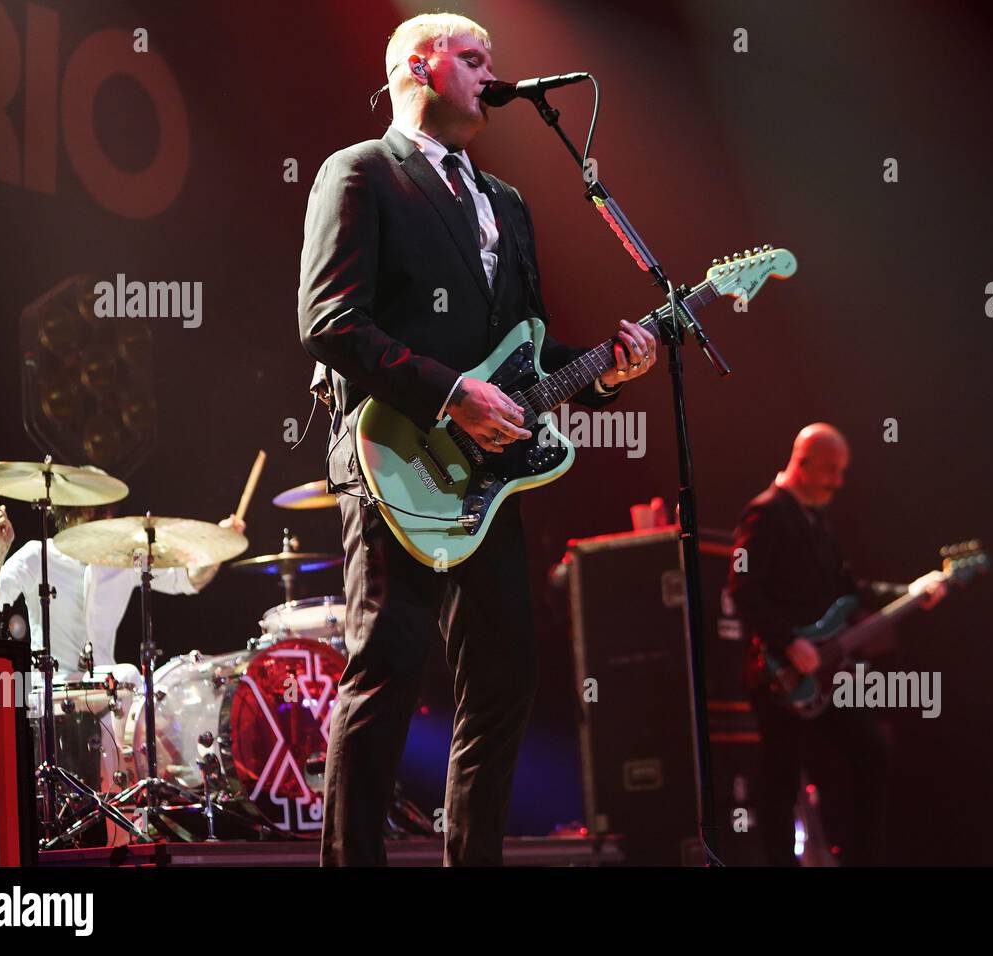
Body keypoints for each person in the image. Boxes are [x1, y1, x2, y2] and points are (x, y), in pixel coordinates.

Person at [298, 12, 656, 866]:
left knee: (504, 681)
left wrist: (607, 369)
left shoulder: (506, 201)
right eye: (474, 58)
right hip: (396, 459)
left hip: (487, 483)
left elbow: (527, 351)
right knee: (386, 670)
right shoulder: (361, 172)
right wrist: (452, 393)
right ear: (419, 66)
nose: (494, 73)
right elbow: (329, 319)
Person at [727, 423, 946, 866]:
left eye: (841, 471)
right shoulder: (766, 512)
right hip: (779, 673)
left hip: (822, 673)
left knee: (870, 751)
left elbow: (850, 590)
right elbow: (742, 587)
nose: (837, 481)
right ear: (802, 462)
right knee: (780, 781)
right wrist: (788, 643)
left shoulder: (817, 521)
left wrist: (911, 591)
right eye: (830, 470)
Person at [0, 501, 246, 678]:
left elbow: (190, 580)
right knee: (128, 676)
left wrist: (217, 545)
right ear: (71, 512)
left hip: (106, 686)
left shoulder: (122, 559)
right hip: (51, 688)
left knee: (133, 680)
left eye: (106, 511)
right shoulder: (37, 556)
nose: (104, 517)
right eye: (94, 510)